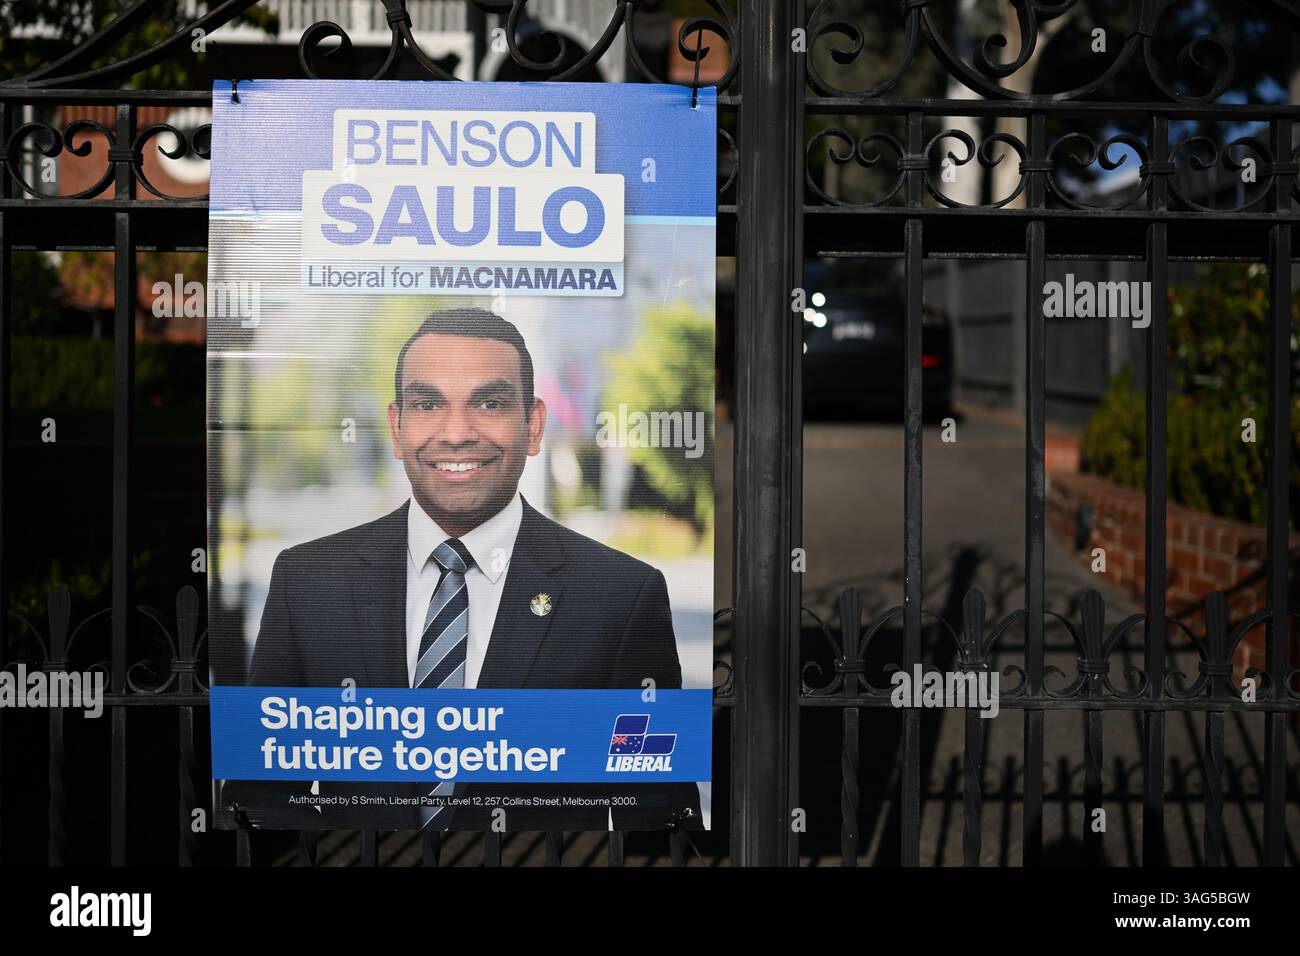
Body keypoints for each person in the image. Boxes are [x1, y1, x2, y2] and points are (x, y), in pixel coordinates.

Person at [221, 308, 702, 833]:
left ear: (533, 425)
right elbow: (257, 806)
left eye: (490, 403)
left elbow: (660, 823)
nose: (456, 434)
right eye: (428, 404)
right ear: (397, 427)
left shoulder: (621, 595)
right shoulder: (307, 582)